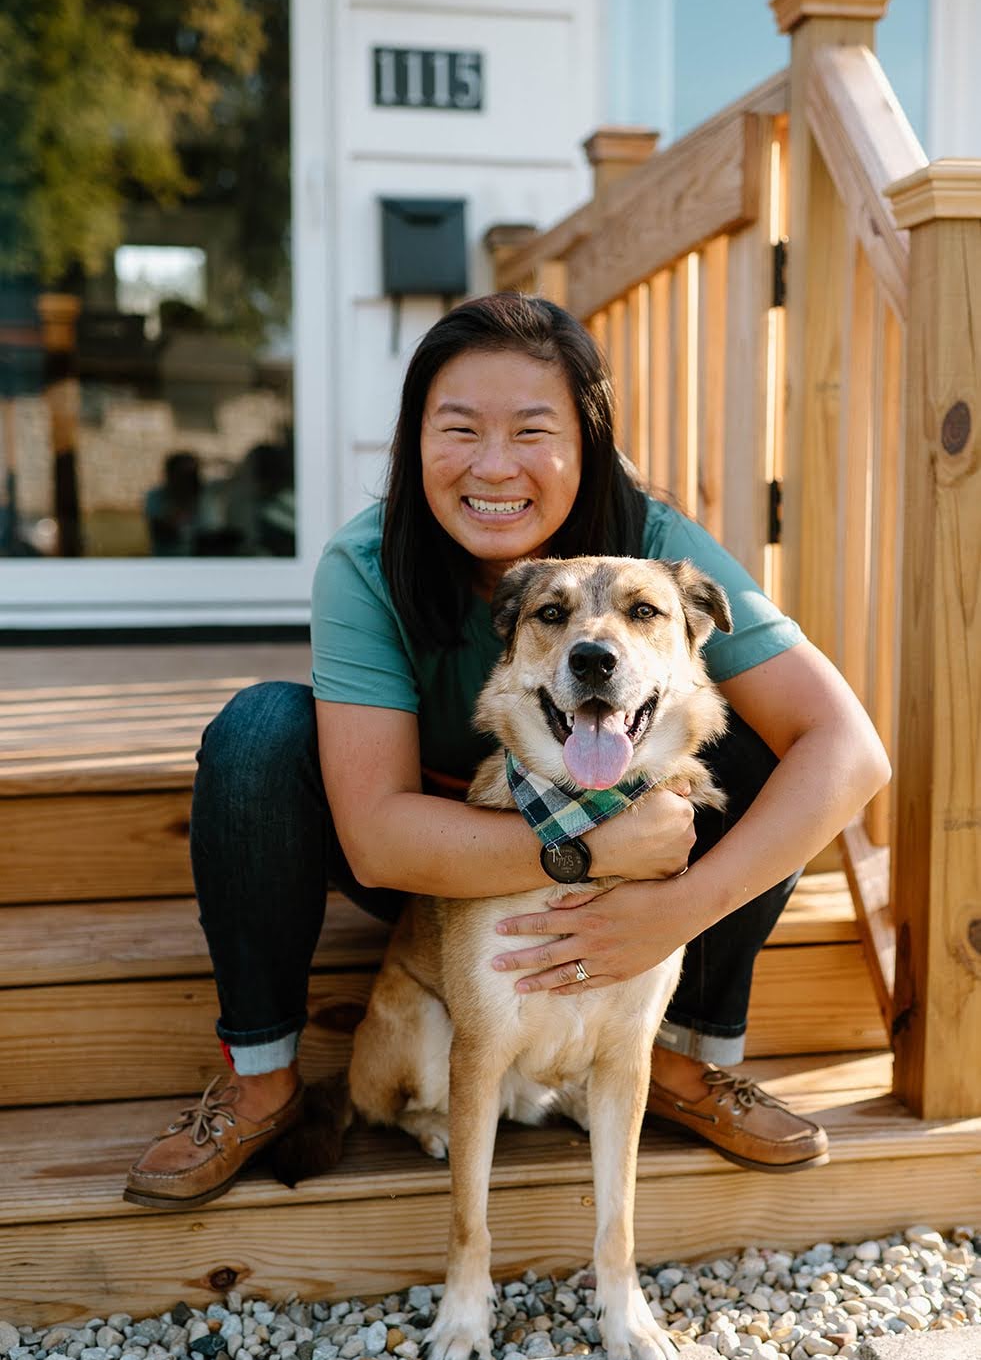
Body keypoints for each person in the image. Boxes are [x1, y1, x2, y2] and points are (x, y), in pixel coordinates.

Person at [125, 293, 890, 1210]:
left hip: (645, 851)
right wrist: (589, 852)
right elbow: (374, 837)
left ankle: (682, 1055)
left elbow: (848, 749)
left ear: (587, 444)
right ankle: (261, 1080)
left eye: (532, 431)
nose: (493, 466)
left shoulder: (652, 546)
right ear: (415, 442)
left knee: (761, 743)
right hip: (431, 864)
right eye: (459, 429)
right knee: (258, 734)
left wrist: (677, 910)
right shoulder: (366, 563)